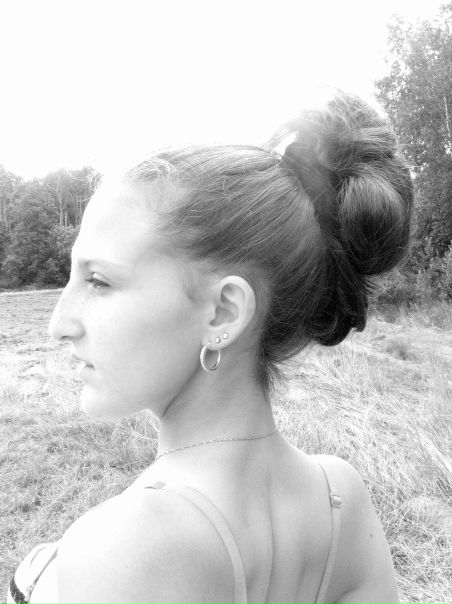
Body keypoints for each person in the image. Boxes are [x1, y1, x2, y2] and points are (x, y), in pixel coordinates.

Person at [8, 91, 413, 604]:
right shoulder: (342, 499)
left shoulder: (122, 550)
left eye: (99, 281)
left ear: (222, 313)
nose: (58, 325)